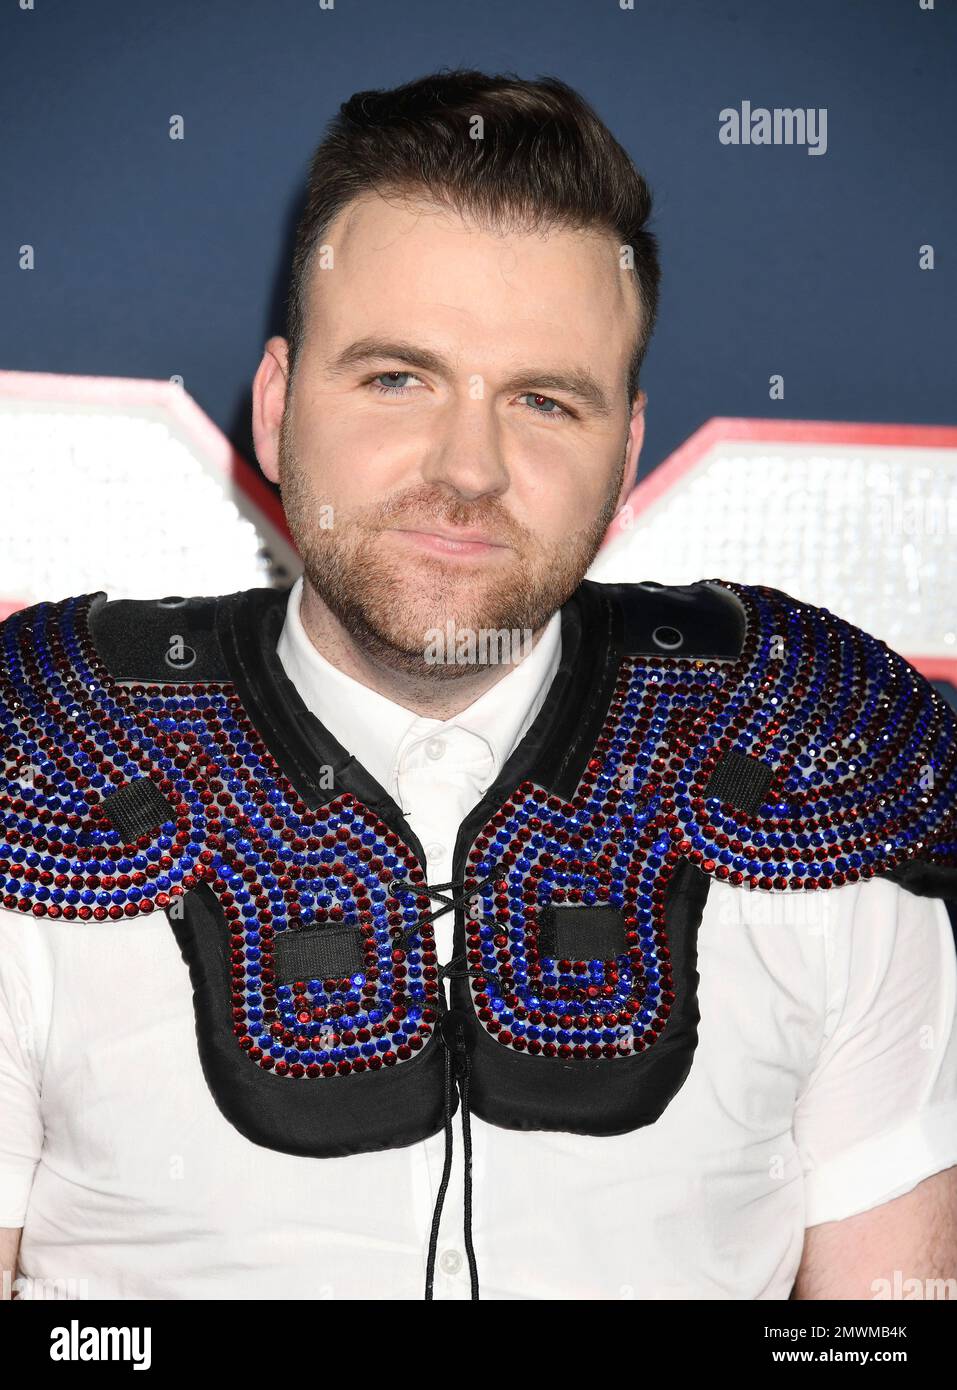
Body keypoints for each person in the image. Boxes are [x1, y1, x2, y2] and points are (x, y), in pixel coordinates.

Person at [1, 68, 956, 1303]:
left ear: (624, 455)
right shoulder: (44, 768)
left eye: (544, 401)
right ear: (282, 406)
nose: (469, 467)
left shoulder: (812, 773)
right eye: (397, 378)